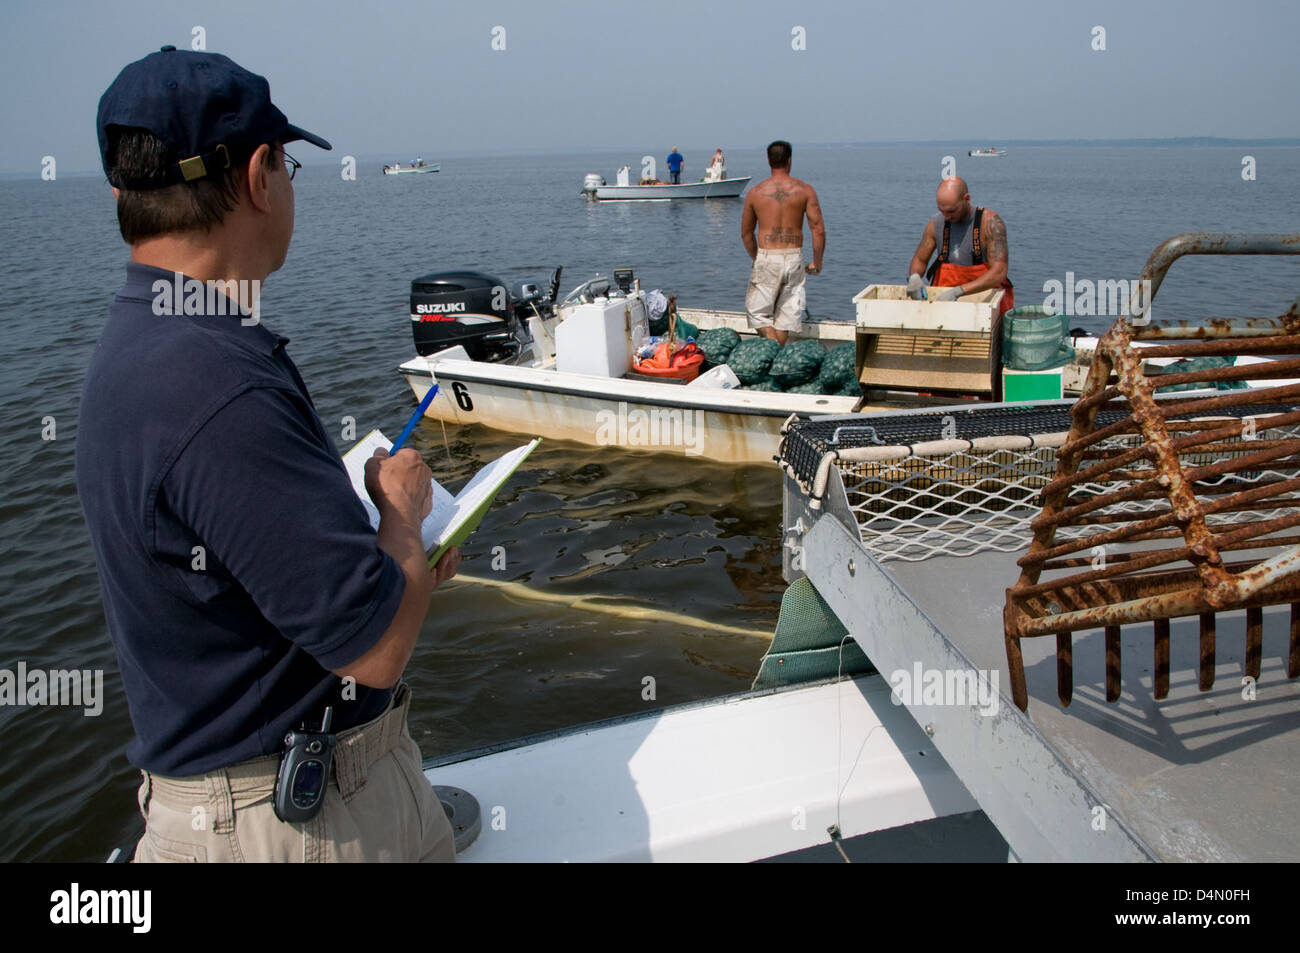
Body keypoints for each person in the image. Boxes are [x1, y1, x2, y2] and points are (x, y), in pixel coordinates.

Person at [78, 46, 460, 863]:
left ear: (124, 191)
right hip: (290, 825)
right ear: (259, 175)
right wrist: (400, 515)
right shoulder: (217, 380)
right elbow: (377, 649)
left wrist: (392, 560)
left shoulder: (144, 336)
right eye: (287, 165)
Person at [740, 140, 825, 346]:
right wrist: (817, 262)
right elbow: (818, 230)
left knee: (757, 313)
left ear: (769, 161)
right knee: (786, 317)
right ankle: (777, 355)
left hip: (768, 255)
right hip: (794, 256)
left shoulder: (756, 193)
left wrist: (756, 257)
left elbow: (746, 234)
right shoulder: (805, 191)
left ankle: (771, 350)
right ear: (789, 160)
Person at [907, 176, 1014, 314]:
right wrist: (914, 277)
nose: (947, 216)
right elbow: (920, 259)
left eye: (952, 211)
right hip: (944, 303)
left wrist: (959, 291)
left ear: (967, 199)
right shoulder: (936, 224)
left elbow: (999, 272)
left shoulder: (990, 223)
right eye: (942, 211)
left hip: (983, 305)